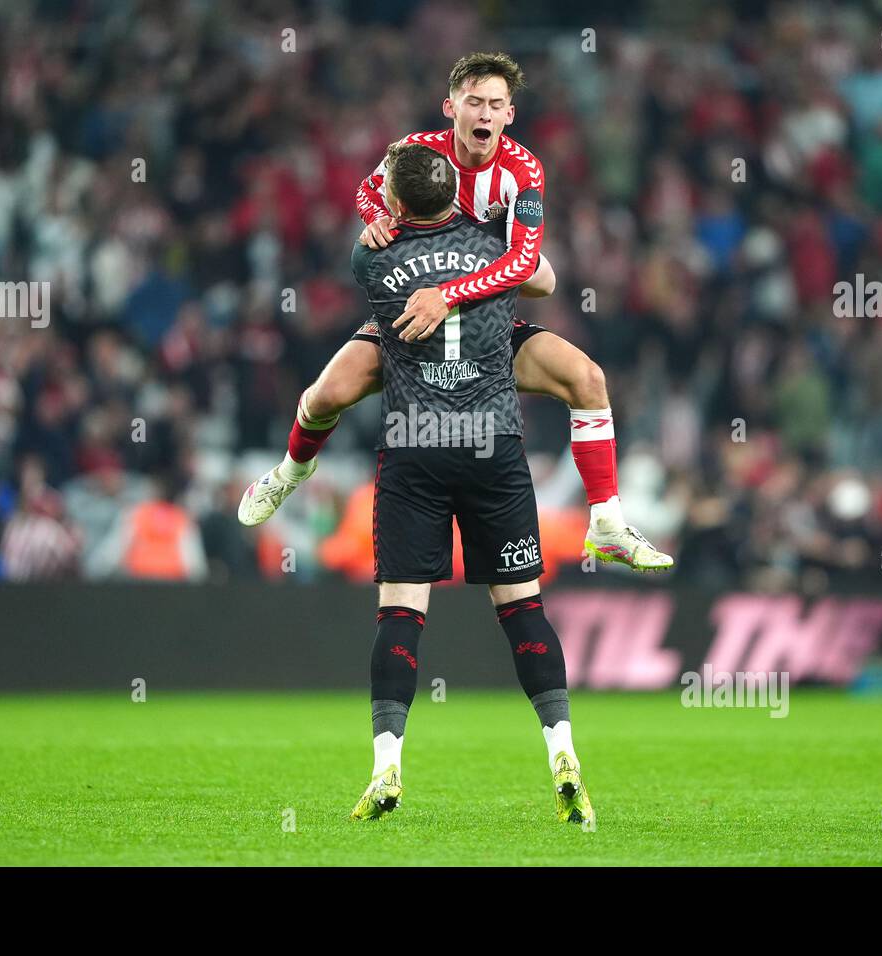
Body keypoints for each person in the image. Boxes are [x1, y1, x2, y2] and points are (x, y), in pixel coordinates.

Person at [238, 51, 672, 573]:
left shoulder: (523, 168)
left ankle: (606, 523)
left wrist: (451, 293)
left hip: (477, 318)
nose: (484, 114)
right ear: (451, 107)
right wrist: (377, 217)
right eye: (474, 103)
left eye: (496, 105)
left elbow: (523, 260)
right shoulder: (417, 153)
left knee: (584, 369)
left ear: (510, 114)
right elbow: (365, 190)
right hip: (412, 321)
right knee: (325, 394)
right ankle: (289, 473)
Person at [344, 141, 595, 826]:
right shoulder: (494, 248)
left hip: (416, 445)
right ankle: (562, 751)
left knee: (401, 613)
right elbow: (537, 273)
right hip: (492, 443)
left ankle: (386, 764)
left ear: (395, 202)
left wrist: (380, 210)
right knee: (523, 610)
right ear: (458, 193)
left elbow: (377, 222)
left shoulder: (372, 258)